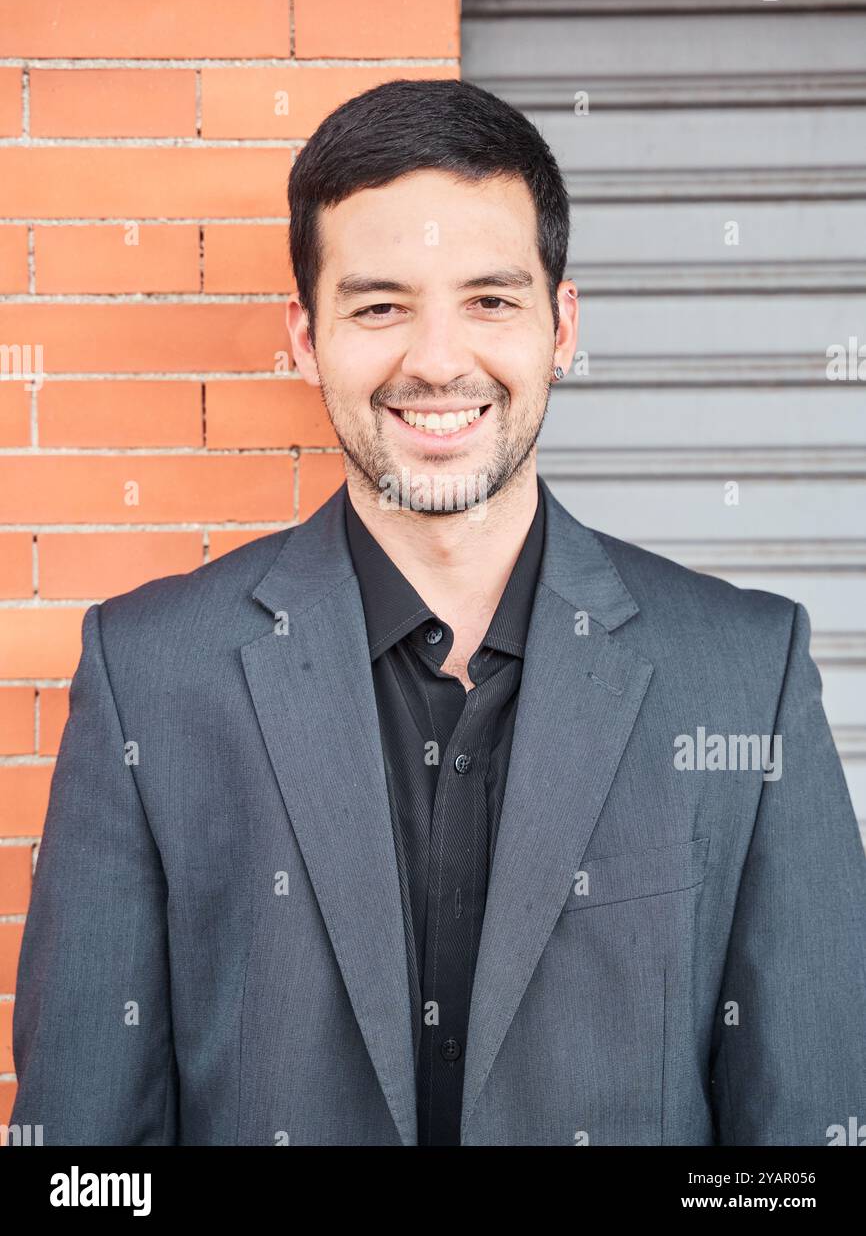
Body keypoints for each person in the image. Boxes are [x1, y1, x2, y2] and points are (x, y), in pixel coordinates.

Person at [10, 80, 866, 1146]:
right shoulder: (148, 673)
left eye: (490, 300)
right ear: (304, 336)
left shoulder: (747, 672)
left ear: (560, 326)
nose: (436, 360)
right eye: (378, 306)